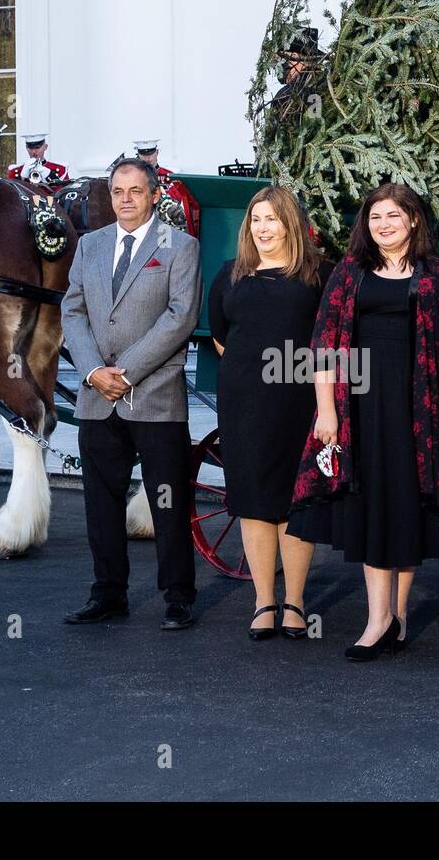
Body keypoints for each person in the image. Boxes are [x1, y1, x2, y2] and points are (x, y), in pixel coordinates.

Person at [288, 183, 439, 661]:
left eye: (393, 216)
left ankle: (396, 619)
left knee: (406, 506)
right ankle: (376, 618)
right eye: (375, 217)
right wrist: (326, 410)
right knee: (370, 505)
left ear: (414, 221)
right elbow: (322, 344)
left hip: (417, 408)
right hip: (359, 406)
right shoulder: (350, 272)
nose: (383, 225)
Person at [60, 158, 202, 629]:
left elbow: (180, 316)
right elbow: (73, 311)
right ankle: (108, 594)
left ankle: (178, 596)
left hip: (155, 394)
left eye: (135, 191)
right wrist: (93, 370)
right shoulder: (90, 246)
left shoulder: (178, 246)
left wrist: (128, 371)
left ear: (153, 194)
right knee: (100, 502)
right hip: (96, 395)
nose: (125, 199)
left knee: (167, 499)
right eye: (118, 191)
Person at [208, 187, 331, 641]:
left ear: (291, 225)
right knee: (254, 503)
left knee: (293, 500)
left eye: (273, 219)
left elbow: (330, 344)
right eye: (256, 220)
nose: (263, 228)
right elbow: (221, 337)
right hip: (244, 403)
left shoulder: (318, 276)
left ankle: (295, 602)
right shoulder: (230, 275)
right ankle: (263, 601)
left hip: (298, 401)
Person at [134, 139, 200, 238]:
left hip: (163, 224)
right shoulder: (132, 177)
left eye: (151, 153)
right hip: (139, 221)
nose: (147, 158)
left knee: (166, 246)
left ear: (157, 152)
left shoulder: (168, 175)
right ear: (138, 154)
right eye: (143, 154)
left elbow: (177, 197)